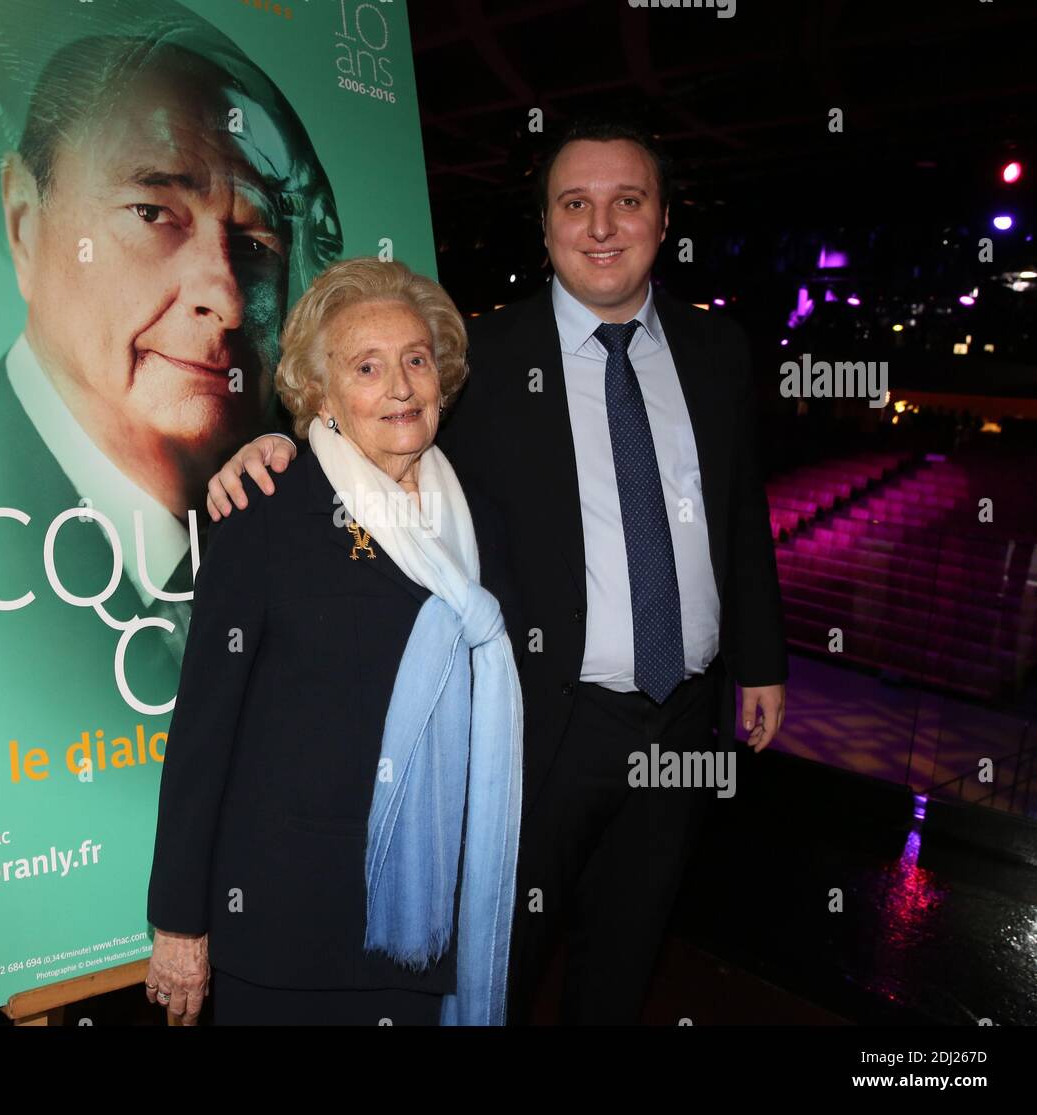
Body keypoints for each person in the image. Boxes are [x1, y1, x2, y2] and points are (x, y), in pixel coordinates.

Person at [204, 118, 789, 1024]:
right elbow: (373, 424)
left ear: (663, 219)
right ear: (546, 226)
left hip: (686, 715)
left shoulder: (720, 352)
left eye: (626, 202)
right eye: (575, 204)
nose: (601, 225)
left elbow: (740, 513)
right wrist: (272, 447)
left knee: (628, 954)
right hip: (543, 725)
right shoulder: (479, 360)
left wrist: (762, 659)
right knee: (494, 962)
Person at [0, 0, 343, 712]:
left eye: (259, 244)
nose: (227, 300)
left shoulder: (309, 505)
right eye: (152, 213)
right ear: (24, 222)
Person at [145, 259, 524, 1026]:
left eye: (417, 359)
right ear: (320, 395)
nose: (400, 386)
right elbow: (202, 733)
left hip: (433, 917)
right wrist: (179, 922)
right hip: (291, 926)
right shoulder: (265, 511)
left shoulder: (479, 514)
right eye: (367, 366)